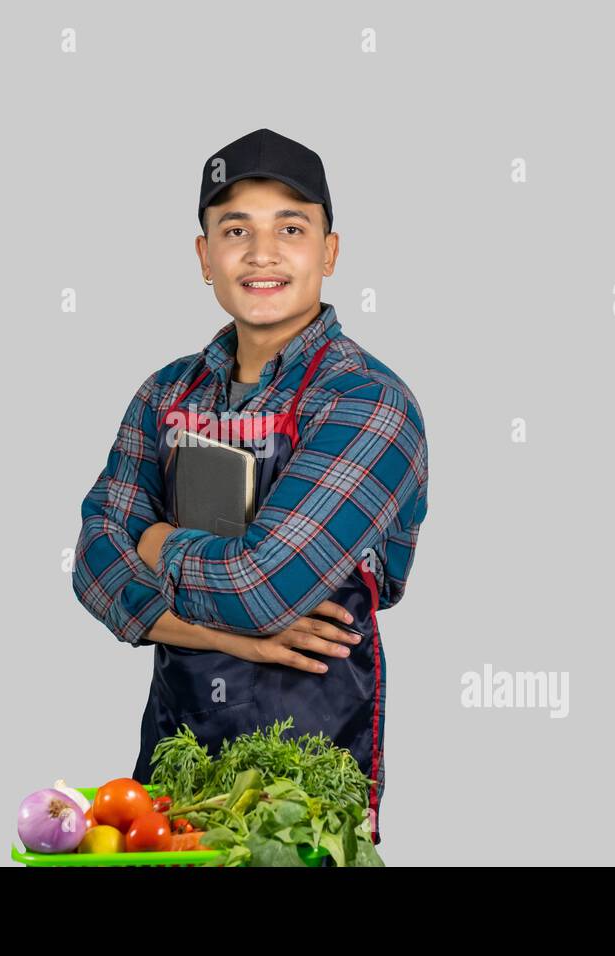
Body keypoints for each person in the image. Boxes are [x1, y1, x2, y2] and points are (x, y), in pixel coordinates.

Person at [72, 129, 428, 845]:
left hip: (304, 797)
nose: (262, 253)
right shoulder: (165, 393)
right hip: (168, 786)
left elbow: (262, 588)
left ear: (329, 251)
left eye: (290, 228)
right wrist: (250, 641)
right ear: (205, 258)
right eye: (235, 230)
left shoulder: (369, 404)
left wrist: (156, 539)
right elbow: (91, 568)